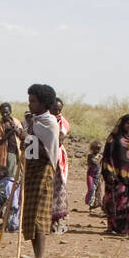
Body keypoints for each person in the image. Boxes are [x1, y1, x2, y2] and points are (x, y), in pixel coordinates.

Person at [21, 83, 60, 258]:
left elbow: (46, 152)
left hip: (43, 171)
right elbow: (30, 149)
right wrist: (27, 134)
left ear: (44, 103)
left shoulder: (49, 123)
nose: (30, 105)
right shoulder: (34, 121)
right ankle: (36, 256)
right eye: (29, 101)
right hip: (31, 170)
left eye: (33, 101)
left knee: (39, 215)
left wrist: (27, 136)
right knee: (30, 214)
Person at [0, 102, 24, 231]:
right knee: (8, 181)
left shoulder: (17, 122)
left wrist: (15, 130)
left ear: (11, 111)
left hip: (17, 154)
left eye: (7, 112)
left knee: (16, 182)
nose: (5, 114)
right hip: (5, 155)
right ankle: (6, 214)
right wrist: (8, 133)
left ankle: (12, 217)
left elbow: (22, 136)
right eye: (3, 112)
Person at [101, 113, 129, 236]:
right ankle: (114, 226)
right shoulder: (113, 139)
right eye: (127, 123)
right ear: (122, 124)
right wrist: (109, 172)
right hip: (117, 175)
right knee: (116, 201)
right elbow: (107, 156)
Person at [49, 98, 71, 233]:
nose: (57, 112)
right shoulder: (44, 120)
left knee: (58, 189)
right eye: (54, 109)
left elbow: (59, 140)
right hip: (45, 156)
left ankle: (56, 220)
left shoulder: (62, 123)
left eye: (59, 110)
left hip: (57, 157)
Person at [85, 139, 103, 211]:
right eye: (96, 148)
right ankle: (90, 203)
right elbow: (94, 162)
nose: (98, 150)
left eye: (99, 149)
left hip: (98, 175)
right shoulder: (90, 156)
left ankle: (95, 205)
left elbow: (101, 165)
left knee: (98, 190)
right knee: (92, 189)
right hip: (91, 175)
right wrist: (100, 158)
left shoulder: (100, 156)